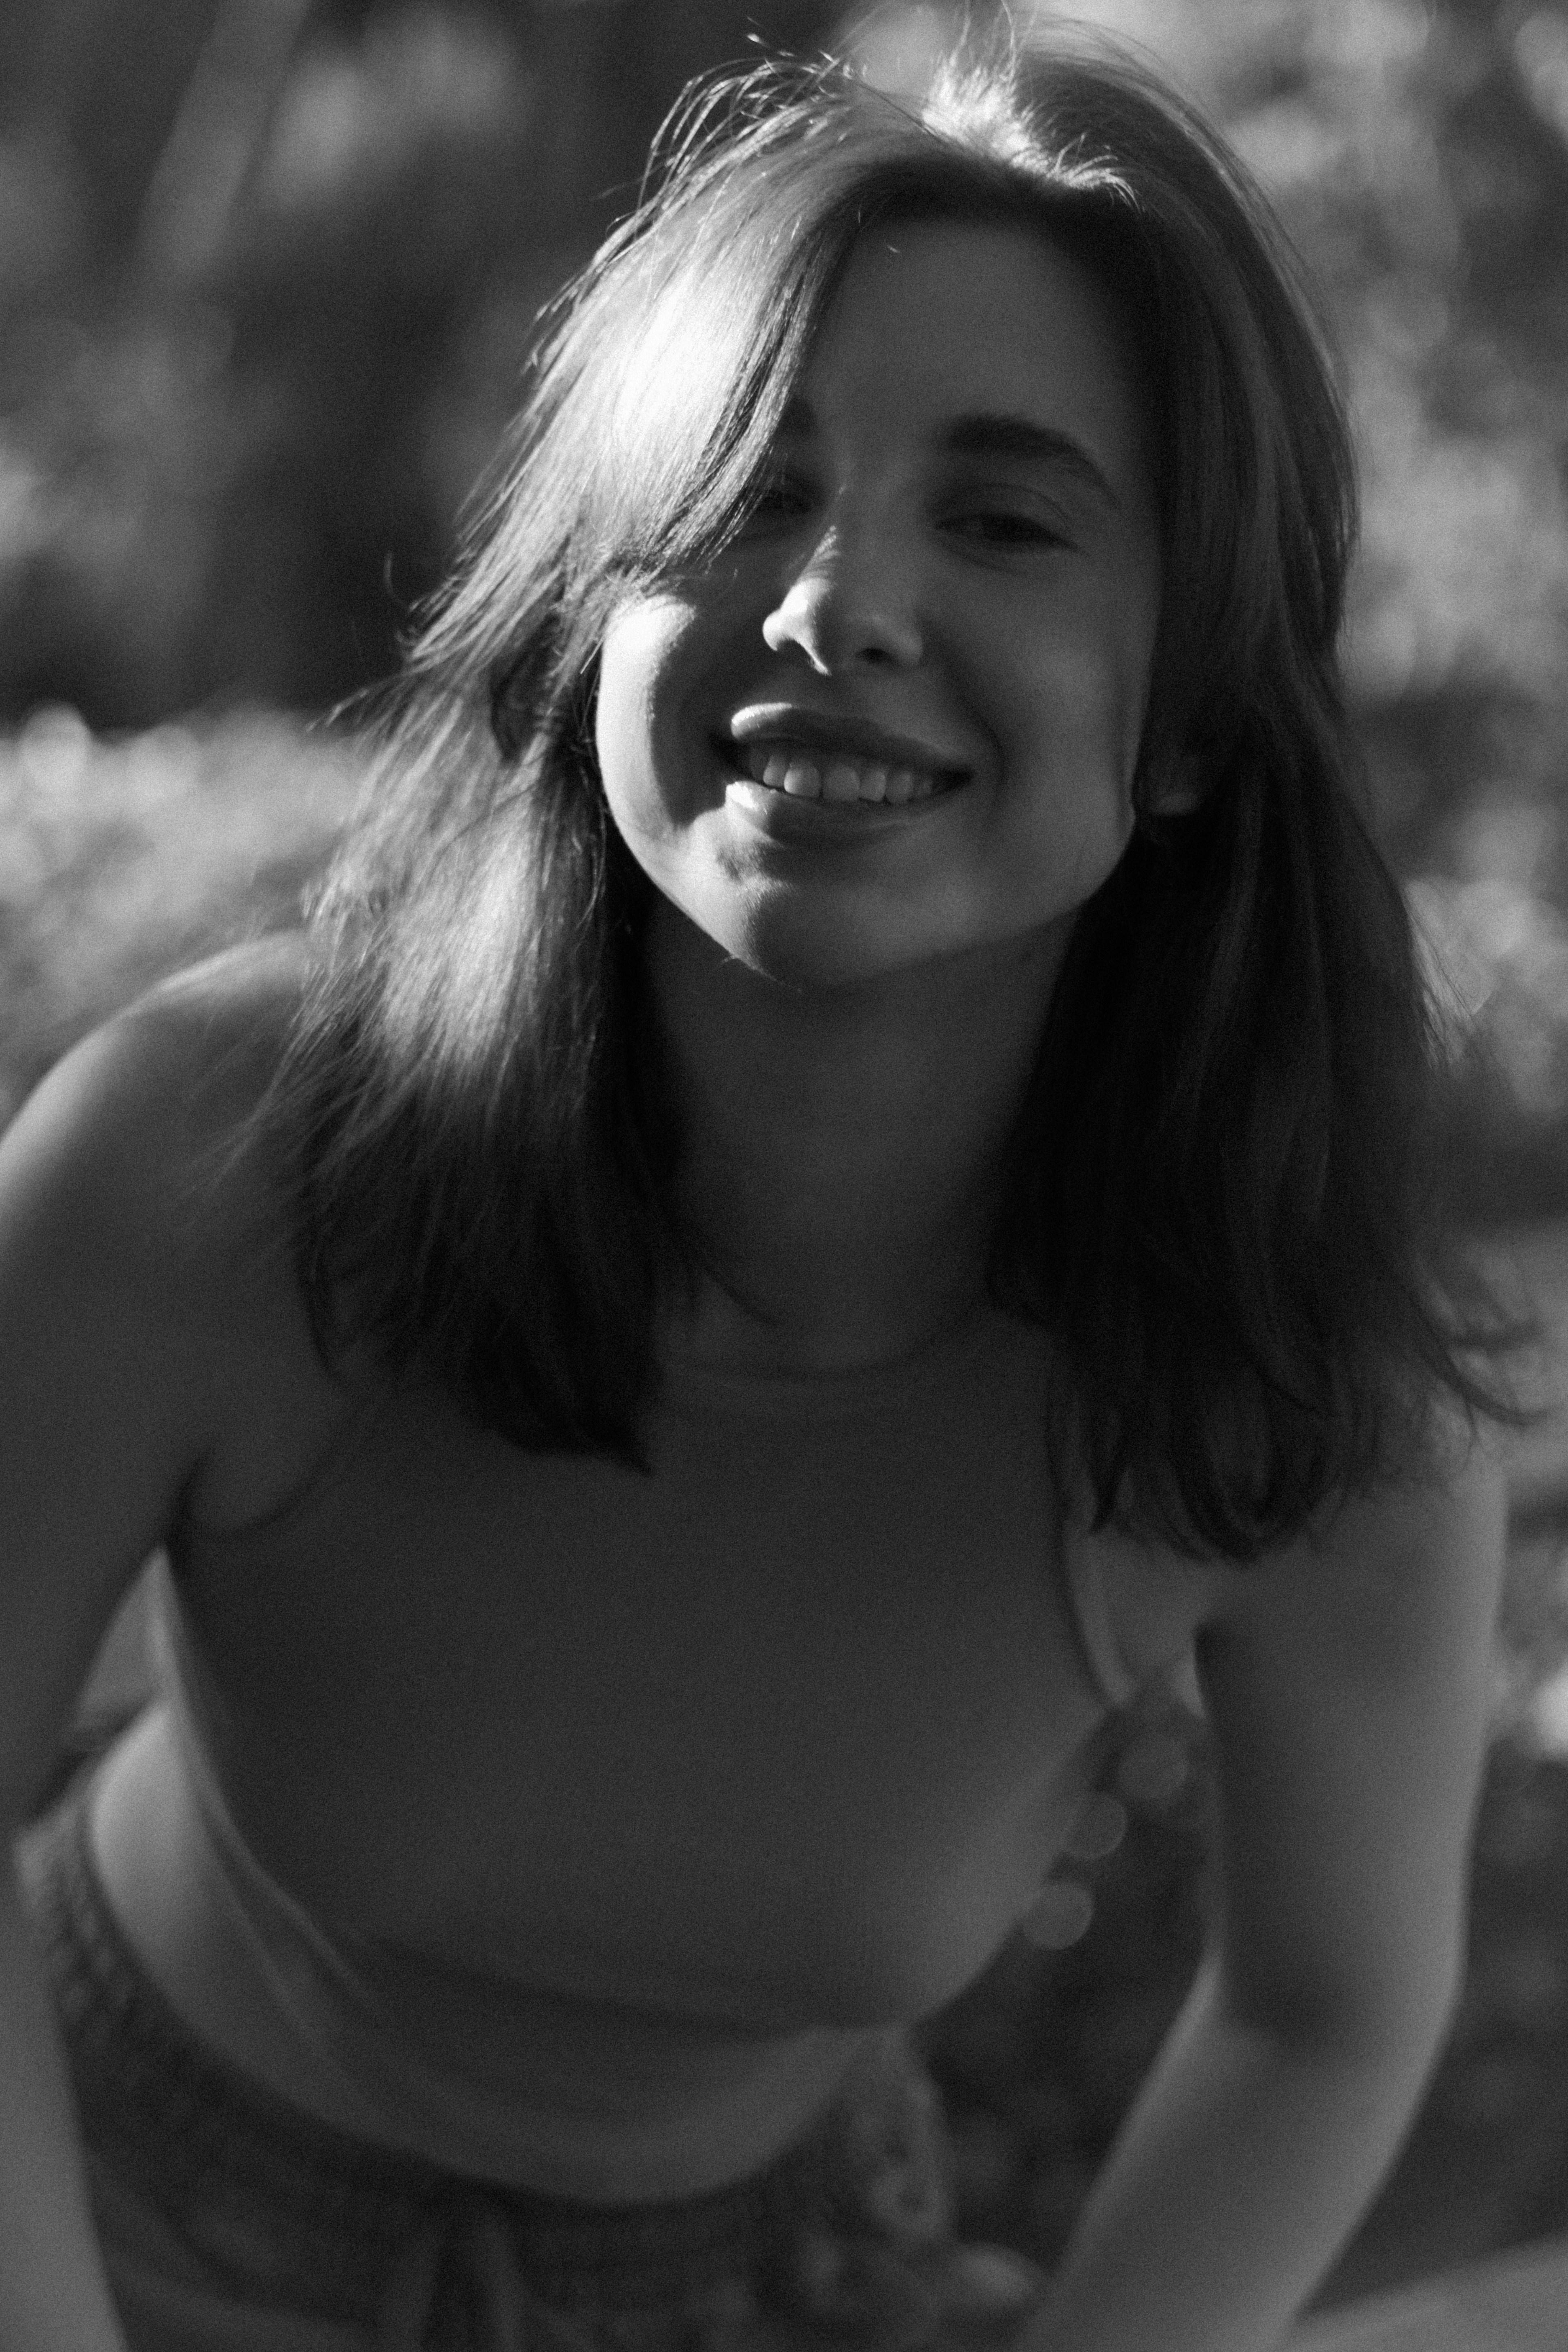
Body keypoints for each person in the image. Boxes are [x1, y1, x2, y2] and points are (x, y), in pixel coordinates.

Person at [0, 25, 1523, 2352]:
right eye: (744, 490)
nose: (833, 599)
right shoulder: (207, 1161)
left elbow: (1322, 2011)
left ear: (1202, 710)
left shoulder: (1296, 1393)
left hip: (780, 2295)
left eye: (1001, 520)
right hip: (88, 2213)